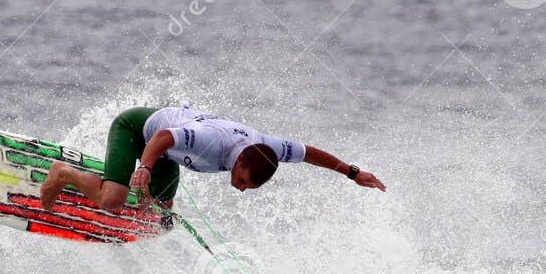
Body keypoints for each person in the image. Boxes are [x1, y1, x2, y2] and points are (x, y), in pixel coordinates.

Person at [39, 103, 386, 213]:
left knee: (156, 214)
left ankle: (112, 177)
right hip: (138, 130)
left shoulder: (268, 148)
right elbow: (161, 138)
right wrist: (144, 166)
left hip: (167, 153)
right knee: (114, 201)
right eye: (242, 182)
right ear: (240, 164)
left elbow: (310, 153)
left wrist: (352, 173)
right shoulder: (210, 143)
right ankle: (63, 173)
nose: (239, 189)